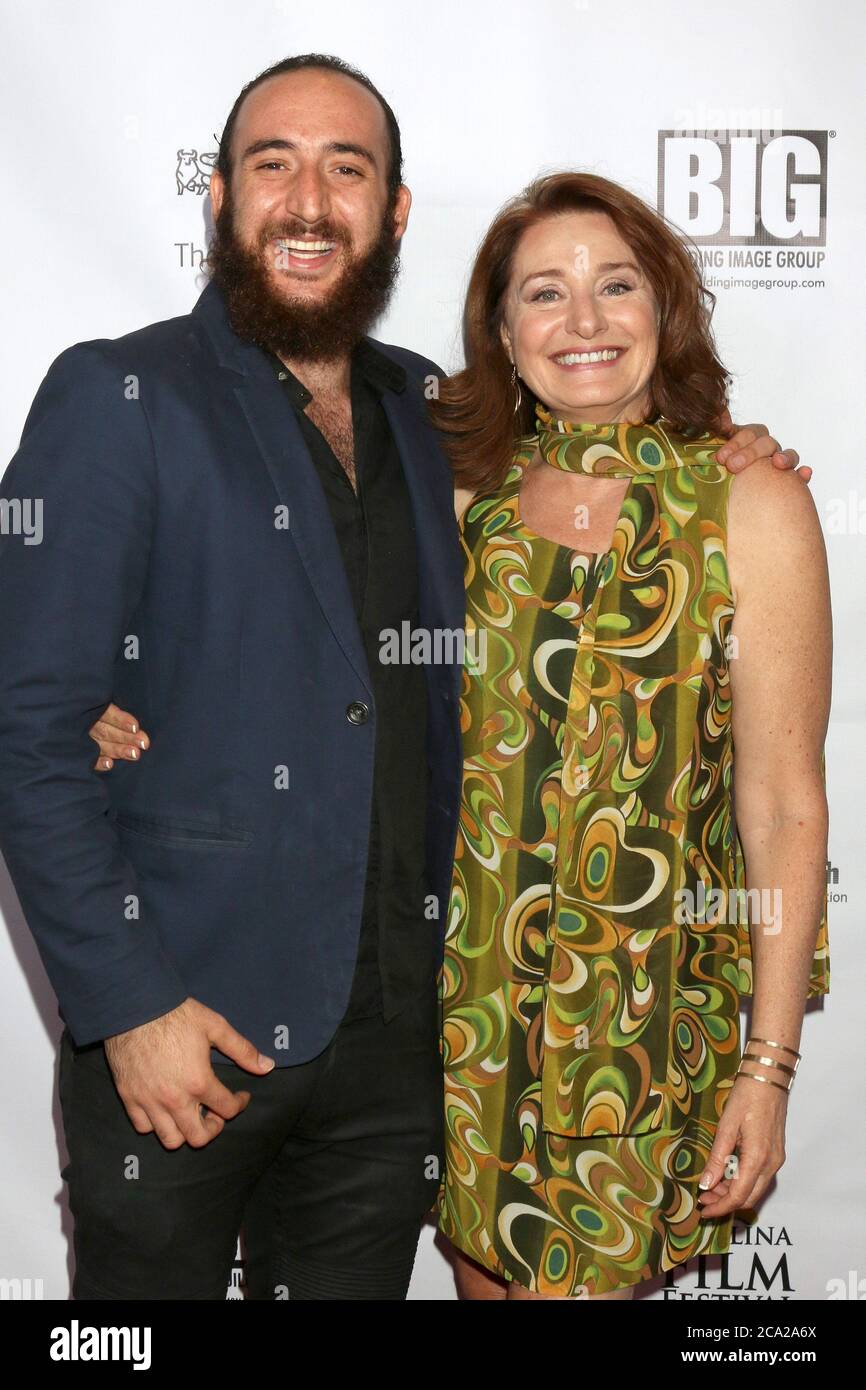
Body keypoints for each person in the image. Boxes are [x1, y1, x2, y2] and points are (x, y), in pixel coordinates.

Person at [3, 52, 805, 1303]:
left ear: (394, 211)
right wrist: (125, 1004)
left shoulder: (437, 424)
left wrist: (739, 448)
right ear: (217, 196)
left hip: (407, 1056)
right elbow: (25, 716)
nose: (308, 200)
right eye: (272, 165)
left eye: (347, 168)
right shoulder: (122, 391)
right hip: (182, 1033)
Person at [426, 171, 830, 1300]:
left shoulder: (748, 505)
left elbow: (784, 806)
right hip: (467, 1018)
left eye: (615, 286)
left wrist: (767, 1067)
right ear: (501, 334)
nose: (585, 321)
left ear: (664, 308)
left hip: (641, 1031)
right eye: (543, 294)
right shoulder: (459, 496)